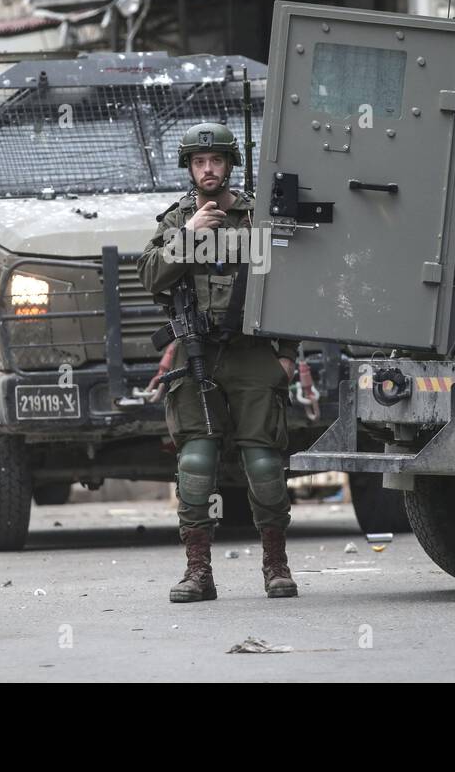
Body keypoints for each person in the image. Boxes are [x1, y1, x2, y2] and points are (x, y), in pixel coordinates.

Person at [138, 122, 299, 602]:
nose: (208, 170)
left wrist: (288, 357)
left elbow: (291, 286)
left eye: (216, 161)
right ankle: (198, 571)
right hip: (196, 354)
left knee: (265, 463)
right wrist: (188, 236)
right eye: (198, 162)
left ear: (230, 165)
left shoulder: (257, 219)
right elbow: (149, 275)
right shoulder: (177, 221)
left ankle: (276, 564)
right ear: (189, 168)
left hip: (252, 355)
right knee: (195, 461)